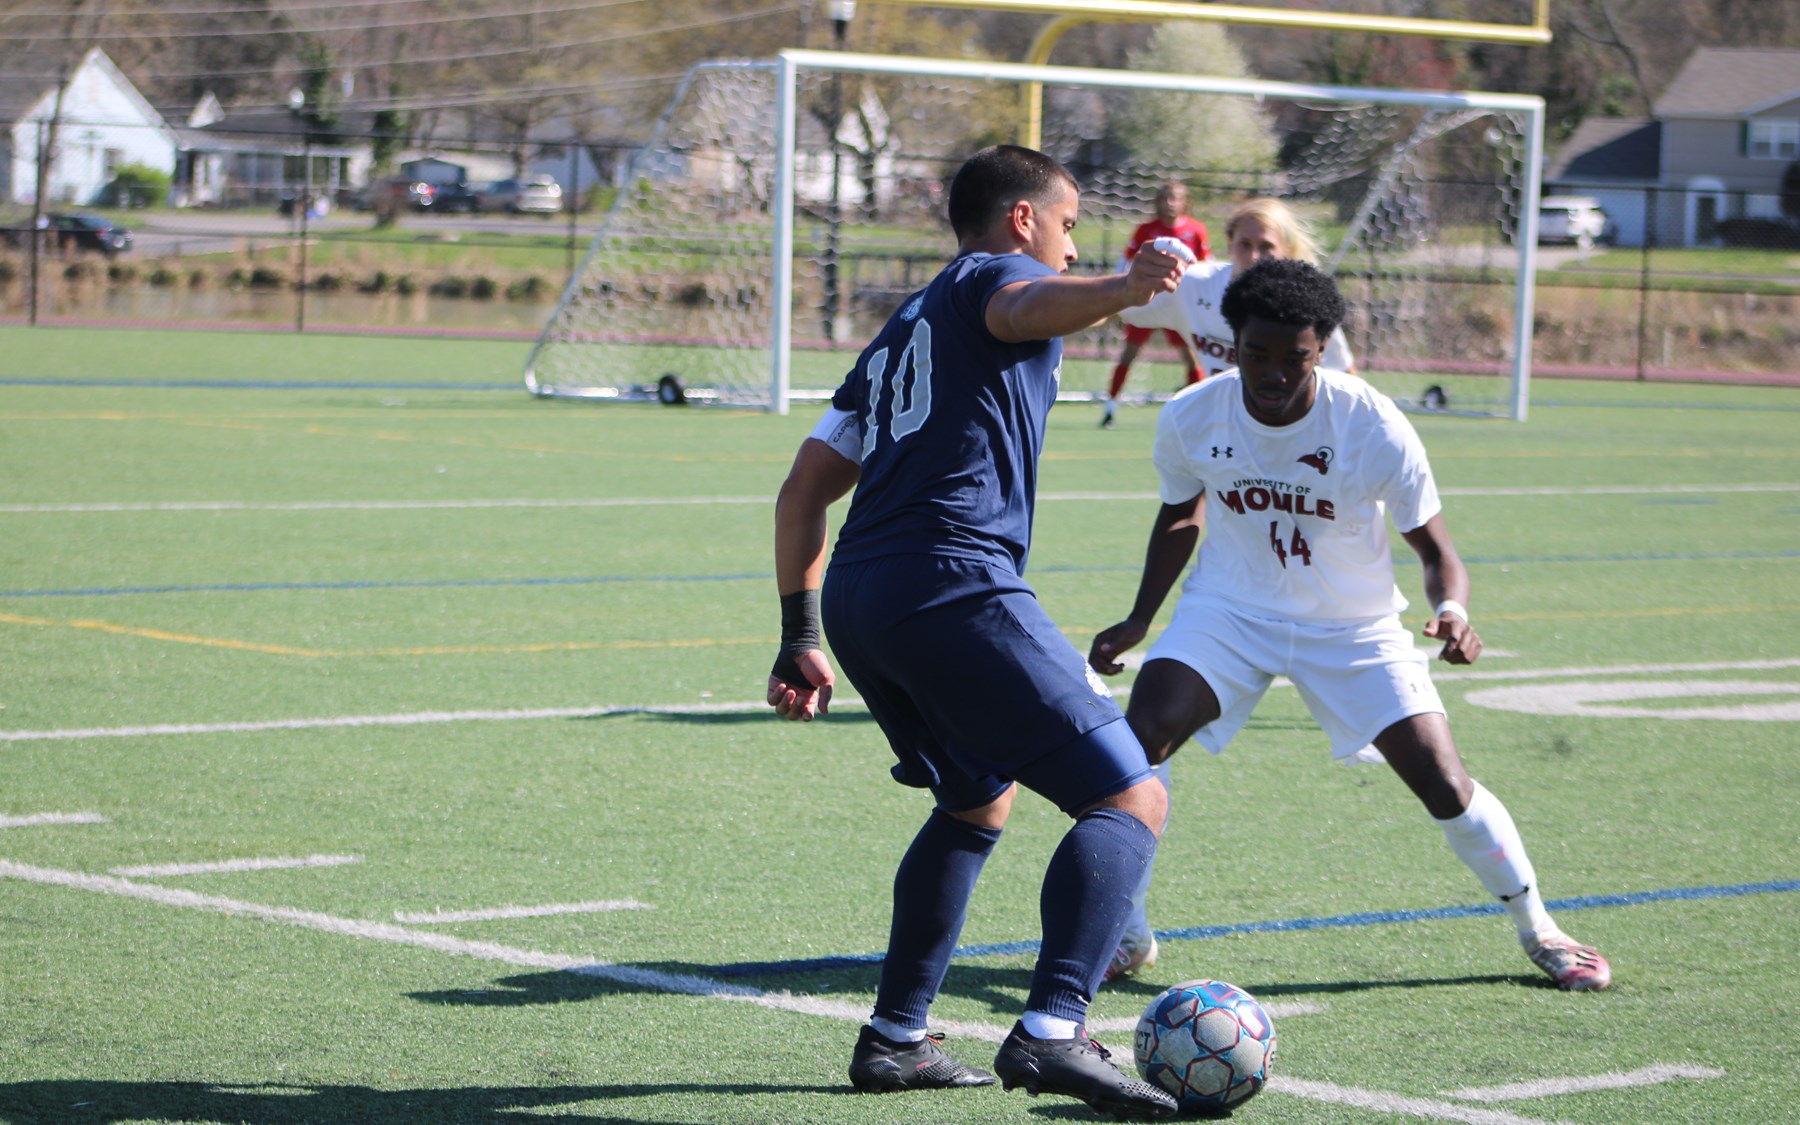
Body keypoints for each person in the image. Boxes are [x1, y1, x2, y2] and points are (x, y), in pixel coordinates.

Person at [768, 145, 1187, 1119]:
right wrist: (1124, 287)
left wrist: (798, 632)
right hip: (953, 585)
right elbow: (1021, 309)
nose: (1073, 246)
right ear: (1023, 222)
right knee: (1132, 796)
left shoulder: (899, 331)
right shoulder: (1001, 280)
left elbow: (803, 491)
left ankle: (897, 1038)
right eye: (1070, 225)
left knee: (973, 805)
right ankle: (1052, 1032)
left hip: (863, 597)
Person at [1087, 257, 1612, 993]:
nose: (1273, 373)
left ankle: (1541, 927)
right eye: (1256, 354)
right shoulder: (1193, 414)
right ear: (1230, 344)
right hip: (1230, 612)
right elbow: (1181, 513)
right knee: (1135, 745)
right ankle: (1127, 932)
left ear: (1322, 350)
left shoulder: (1371, 423)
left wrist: (1452, 611)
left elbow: (1436, 551)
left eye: (1294, 358)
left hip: (1354, 626)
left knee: (1442, 780)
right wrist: (1140, 617)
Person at [1101, 197, 1356, 432]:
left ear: (1287, 250)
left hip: (1294, 433)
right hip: (1222, 432)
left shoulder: (1306, 304)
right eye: (1245, 245)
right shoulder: (1194, 284)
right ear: (1230, 243)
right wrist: (1065, 311)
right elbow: (1111, 309)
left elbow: (1347, 379)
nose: (1254, 256)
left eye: (1266, 247)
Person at [1100, 182, 1210, 429]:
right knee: (1129, 354)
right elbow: (1126, 262)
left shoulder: (1196, 230)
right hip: (1146, 302)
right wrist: (1120, 291)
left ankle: (1199, 411)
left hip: (1179, 304)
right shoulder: (1146, 230)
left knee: (1192, 360)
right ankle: (1110, 408)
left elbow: (1205, 266)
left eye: (1176, 198)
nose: (1170, 203)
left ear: (1185, 202)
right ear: (1158, 201)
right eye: (1166, 198)